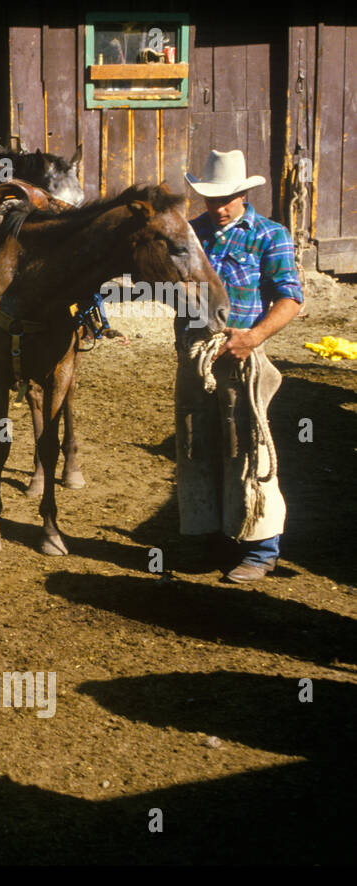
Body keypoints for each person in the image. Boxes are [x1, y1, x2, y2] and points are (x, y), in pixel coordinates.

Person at [176, 149, 304, 583]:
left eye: (228, 197)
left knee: (247, 447)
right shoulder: (190, 235)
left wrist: (252, 338)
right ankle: (209, 537)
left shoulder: (270, 235)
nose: (220, 206)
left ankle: (261, 548)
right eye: (212, 198)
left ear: (245, 193)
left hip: (244, 355)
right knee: (197, 445)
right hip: (195, 356)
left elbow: (290, 299)